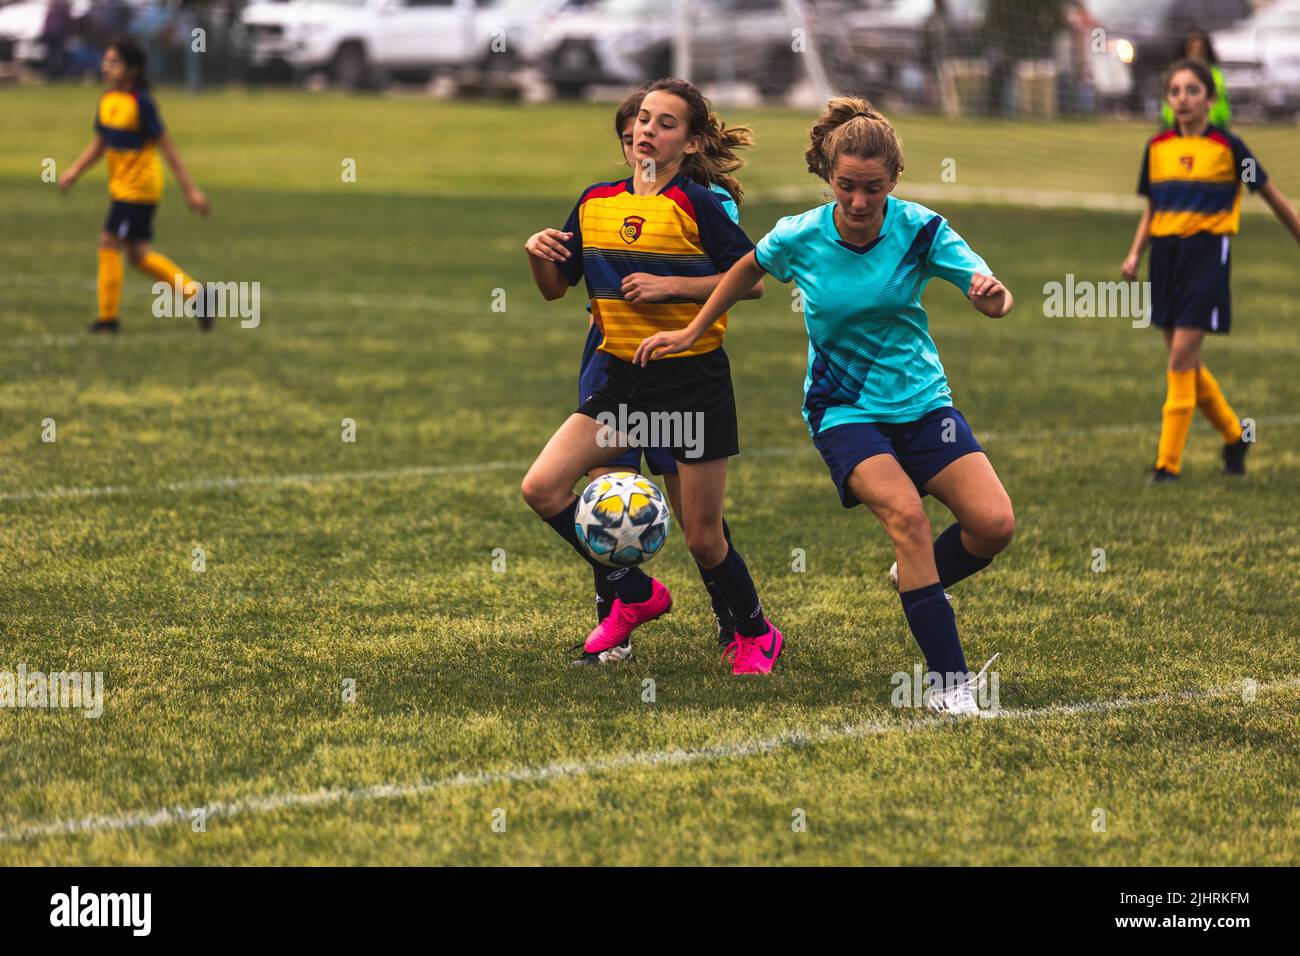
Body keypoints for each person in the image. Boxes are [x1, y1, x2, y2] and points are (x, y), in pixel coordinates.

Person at [635, 97, 1015, 714]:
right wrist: (690, 329)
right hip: (843, 410)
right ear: (828, 177)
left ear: (894, 179)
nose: (860, 202)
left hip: (922, 403)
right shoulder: (800, 235)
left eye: (872, 188)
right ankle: (951, 687)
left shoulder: (921, 229)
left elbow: (991, 293)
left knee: (993, 525)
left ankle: (914, 576)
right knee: (908, 521)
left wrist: (989, 296)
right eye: (847, 187)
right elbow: (742, 271)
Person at [521, 78, 783, 674]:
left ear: (690, 143)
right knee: (542, 488)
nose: (648, 130)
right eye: (644, 119)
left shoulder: (699, 204)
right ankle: (634, 592)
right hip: (620, 381)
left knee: (701, 537)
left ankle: (753, 630)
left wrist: (672, 286)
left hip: (692, 383)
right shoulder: (596, 201)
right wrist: (538, 256)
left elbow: (753, 280)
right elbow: (555, 290)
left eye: (666, 124)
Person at [1122, 60, 1300, 482]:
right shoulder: (1157, 147)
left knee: (1182, 357)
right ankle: (1235, 435)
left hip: (1206, 256)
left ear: (1210, 98)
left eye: (1192, 90)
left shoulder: (1230, 148)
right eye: (1175, 91)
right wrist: (1134, 254)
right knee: (1183, 360)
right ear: (1168, 100)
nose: (1182, 98)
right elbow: (1154, 208)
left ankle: (1167, 464)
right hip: (1165, 258)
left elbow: (1270, 193)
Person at [59, 38, 211, 333]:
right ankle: (197, 296)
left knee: (108, 241)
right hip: (121, 187)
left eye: (114, 62)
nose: (106, 67)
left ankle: (107, 319)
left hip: (140, 188)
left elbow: (167, 147)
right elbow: (101, 142)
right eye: (106, 61)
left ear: (132, 70)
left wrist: (189, 189)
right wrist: (75, 171)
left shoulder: (142, 103)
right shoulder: (107, 100)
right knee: (139, 254)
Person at [1161, 30, 1230, 129]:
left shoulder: (1215, 74)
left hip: (1211, 126)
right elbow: (1166, 105)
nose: (1182, 98)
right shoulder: (1175, 74)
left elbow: (1223, 103)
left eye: (1200, 49)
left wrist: (1221, 121)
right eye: (1192, 49)